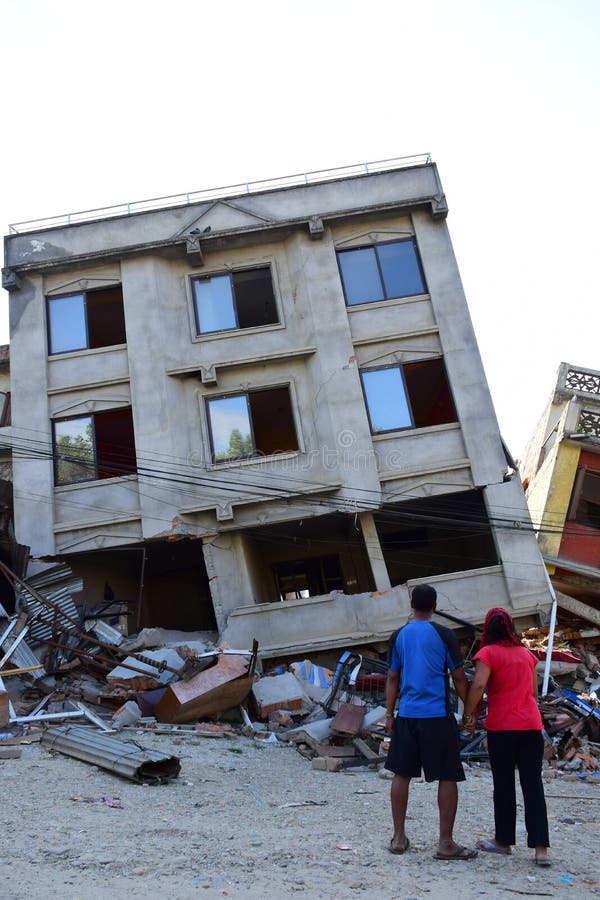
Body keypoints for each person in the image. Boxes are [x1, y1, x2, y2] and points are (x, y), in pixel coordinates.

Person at [385, 583, 477, 860]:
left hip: (408, 715)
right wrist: (469, 713)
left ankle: (399, 838)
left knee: (401, 775)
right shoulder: (444, 634)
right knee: (447, 776)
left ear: (411, 605)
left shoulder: (398, 635)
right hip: (437, 715)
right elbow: (459, 677)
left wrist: (389, 714)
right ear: (435, 606)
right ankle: (445, 843)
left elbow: (392, 678)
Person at [462, 607, 551, 866]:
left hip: (502, 728)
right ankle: (541, 848)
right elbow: (533, 694)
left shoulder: (487, 653)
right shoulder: (527, 655)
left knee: (504, 785)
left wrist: (469, 715)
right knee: (533, 785)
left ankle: (503, 841)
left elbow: (478, 685)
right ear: (511, 628)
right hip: (531, 726)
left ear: (488, 628)